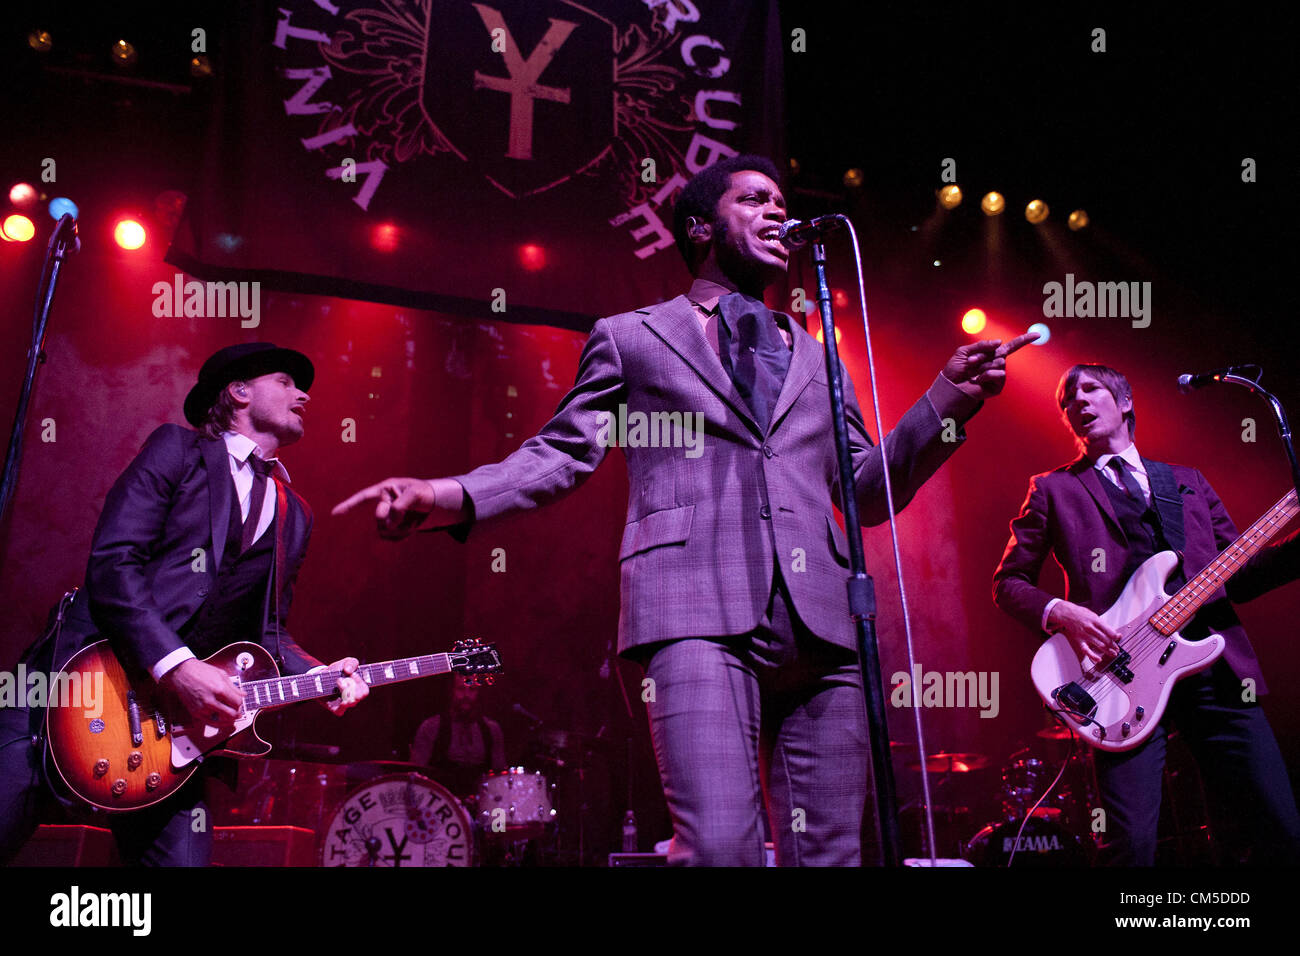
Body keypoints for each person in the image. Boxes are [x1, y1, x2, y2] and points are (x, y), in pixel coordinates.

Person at [334, 155, 1034, 865]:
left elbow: (866, 493)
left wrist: (948, 397)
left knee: (830, 852)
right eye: (753, 200)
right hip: (691, 609)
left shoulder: (819, 358)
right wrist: (447, 494)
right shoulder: (632, 337)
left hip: (823, 621)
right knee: (721, 847)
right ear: (700, 227)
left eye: (780, 202)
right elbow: (562, 454)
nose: (774, 214)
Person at [0, 342, 369, 866]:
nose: (303, 394)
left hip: (171, 734)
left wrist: (320, 673)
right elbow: (114, 562)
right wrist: (177, 666)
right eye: (286, 381)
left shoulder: (296, 513)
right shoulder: (177, 450)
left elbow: (269, 633)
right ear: (239, 392)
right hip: (78, 688)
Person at [993, 363, 1300, 864]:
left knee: (1279, 826)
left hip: (1216, 672)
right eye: (1068, 399)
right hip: (1119, 678)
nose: (1078, 402)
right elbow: (1007, 583)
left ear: (1126, 402)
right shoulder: (1054, 489)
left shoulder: (1187, 482)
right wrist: (1061, 611)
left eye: (1090, 390)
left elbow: (1239, 575)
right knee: (1131, 846)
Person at [410, 678, 506, 795]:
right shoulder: (431, 727)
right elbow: (416, 775)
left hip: (480, 803)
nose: (466, 695)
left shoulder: (491, 729)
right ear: (452, 691)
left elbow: (500, 777)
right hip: (441, 803)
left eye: (472, 690)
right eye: (461, 689)